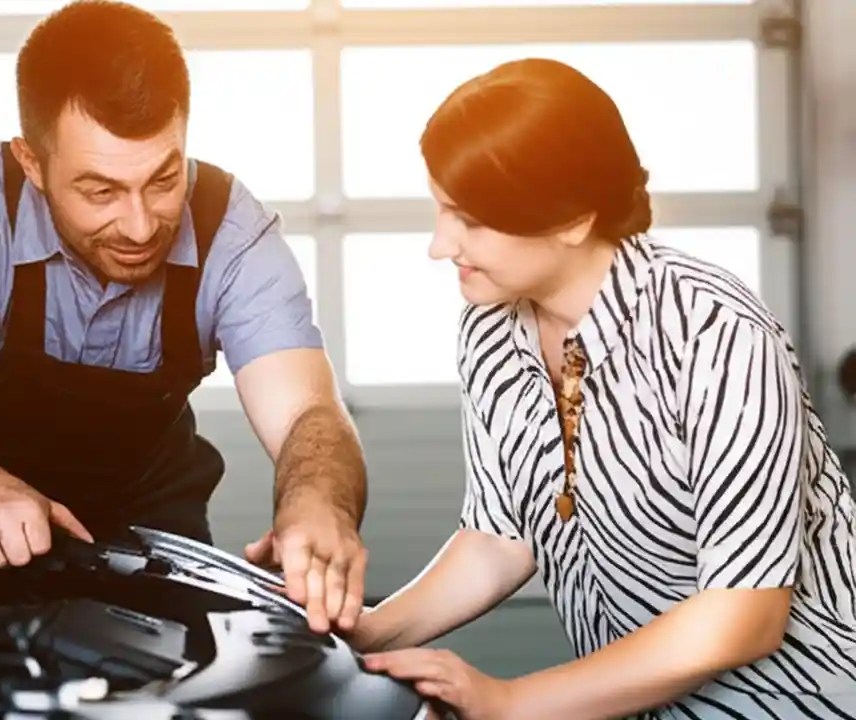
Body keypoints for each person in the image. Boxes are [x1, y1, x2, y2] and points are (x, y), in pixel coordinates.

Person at [0, 0, 368, 635]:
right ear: (32, 163)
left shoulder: (232, 232)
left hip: (149, 534)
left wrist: (319, 503)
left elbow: (309, 418)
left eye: (162, 179)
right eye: (100, 191)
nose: (140, 224)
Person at [350, 57, 856, 718]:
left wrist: (509, 703)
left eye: (470, 219)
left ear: (571, 220)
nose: (440, 246)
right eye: (442, 211)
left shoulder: (716, 333)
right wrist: (360, 635)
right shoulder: (489, 326)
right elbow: (501, 540)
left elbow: (746, 614)